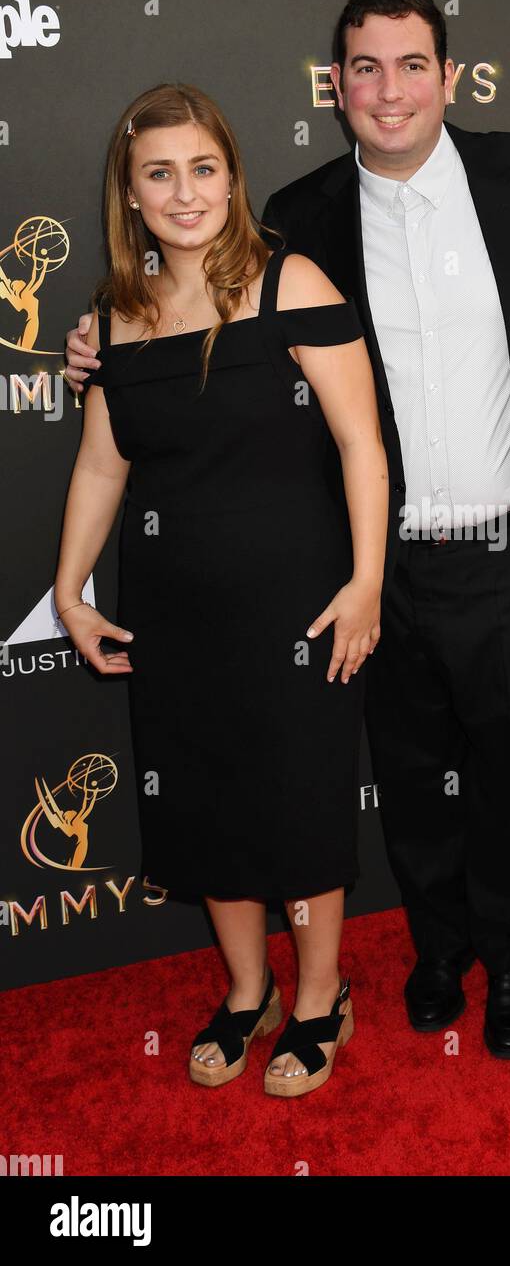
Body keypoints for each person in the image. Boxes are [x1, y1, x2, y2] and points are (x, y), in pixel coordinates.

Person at [63, 0, 510, 1060]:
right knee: (410, 775)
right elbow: (189, 285)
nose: (389, 89)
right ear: (336, 86)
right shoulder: (299, 221)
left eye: (412, 65)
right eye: (364, 68)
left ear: (449, 77)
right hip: (378, 559)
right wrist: (94, 339)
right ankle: (438, 947)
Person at [54, 83, 387, 1095]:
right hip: (172, 605)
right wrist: (69, 590)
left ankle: (321, 994)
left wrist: (368, 580)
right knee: (202, 800)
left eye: (202, 167)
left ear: (232, 176)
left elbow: (361, 444)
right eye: (159, 172)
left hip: (295, 602)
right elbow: (103, 467)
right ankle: (248, 993)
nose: (184, 191)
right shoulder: (116, 313)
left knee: (298, 799)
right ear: (131, 192)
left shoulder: (293, 283)